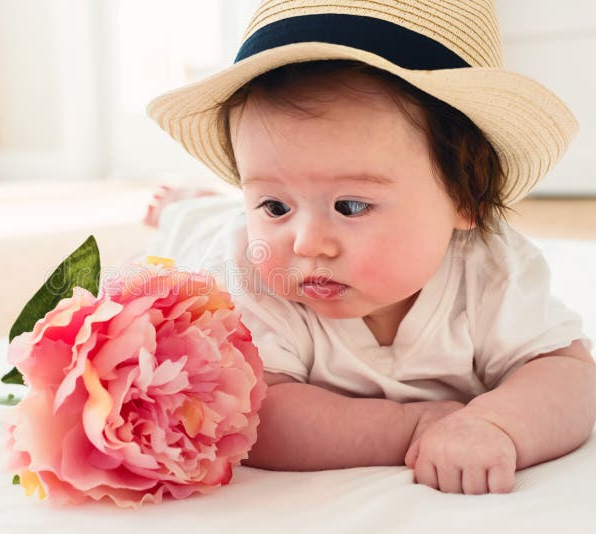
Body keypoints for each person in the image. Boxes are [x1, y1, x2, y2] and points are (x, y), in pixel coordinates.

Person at [141, 0, 596, 495]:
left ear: (465, 200)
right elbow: (257, 414)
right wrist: (409, 426)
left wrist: (499, 424)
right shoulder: (245, 274)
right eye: (274, 206)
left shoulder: (492, 271)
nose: (306, 242)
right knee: (195, 226)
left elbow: (568, 374)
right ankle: (189, 205)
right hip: (210, 238)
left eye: (351, 206)